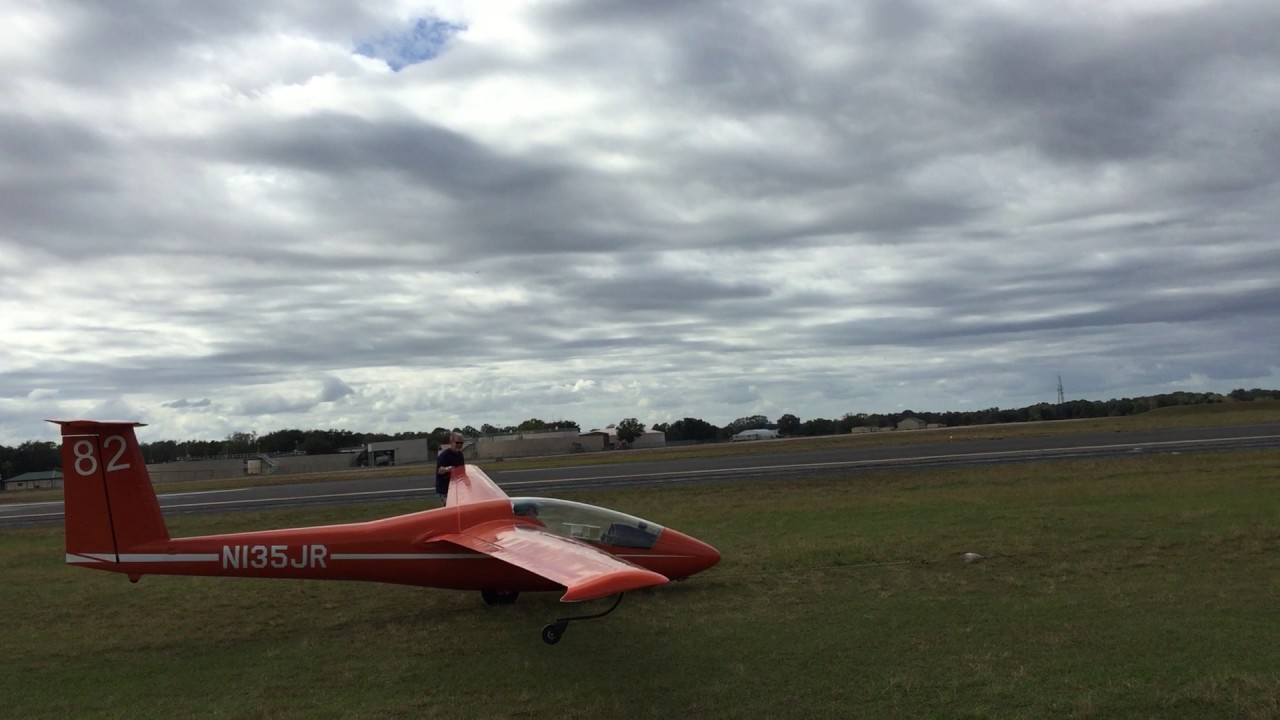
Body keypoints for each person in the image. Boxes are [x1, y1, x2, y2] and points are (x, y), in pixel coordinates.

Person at [435, 432, 466, 503]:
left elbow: (462, 470)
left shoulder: (460, 455)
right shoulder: (444, 455)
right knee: (449, 508)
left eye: (461, 443)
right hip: (444, 489)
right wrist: (447, 469)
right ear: (451, 442)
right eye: (457, 443)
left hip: (455, 488)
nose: (459, 445)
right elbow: (439, 470)